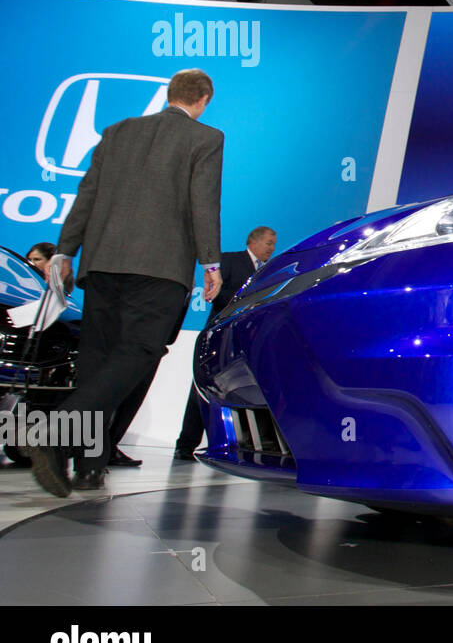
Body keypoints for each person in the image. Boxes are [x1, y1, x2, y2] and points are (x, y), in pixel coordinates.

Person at [30, 69, 223, 496]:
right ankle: (56, 437)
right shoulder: (205, 139)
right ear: (203, 99)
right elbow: (202, 205)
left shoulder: (117, 131)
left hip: (101, 263)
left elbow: (87, 195)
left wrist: (65, 251)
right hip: (158, 268)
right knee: (138, 353)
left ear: (171, 94)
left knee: (97, 363)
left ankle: (90, 467)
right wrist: (211, 264)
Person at [174, 226, 276, 461]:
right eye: (269, 243)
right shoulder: (230, 261)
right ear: (254, 241)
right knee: (202, 392)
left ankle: (228, 447)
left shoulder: (268, 271)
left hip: (250, 341)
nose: (272, 248)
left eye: (274, 244)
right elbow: (215, 295)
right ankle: (185, 444)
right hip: (221, 337)